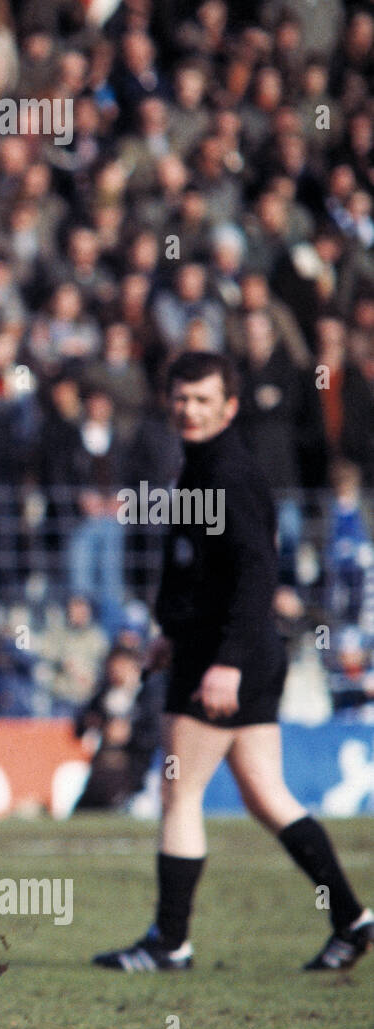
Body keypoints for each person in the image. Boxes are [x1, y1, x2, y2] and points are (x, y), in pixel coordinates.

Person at [94, 351, 372, 972]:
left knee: (179, 792)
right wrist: (171, 631)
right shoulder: (198, 467)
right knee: (267, 796)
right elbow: (201, 566)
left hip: (224, 658)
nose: (188, 409)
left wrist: (226, 664)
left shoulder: (229, 473)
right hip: (227, 651)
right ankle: (352, 920)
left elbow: (256, 574)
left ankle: (170, 942)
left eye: (201, 399)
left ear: (229, 406)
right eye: (180, 398)